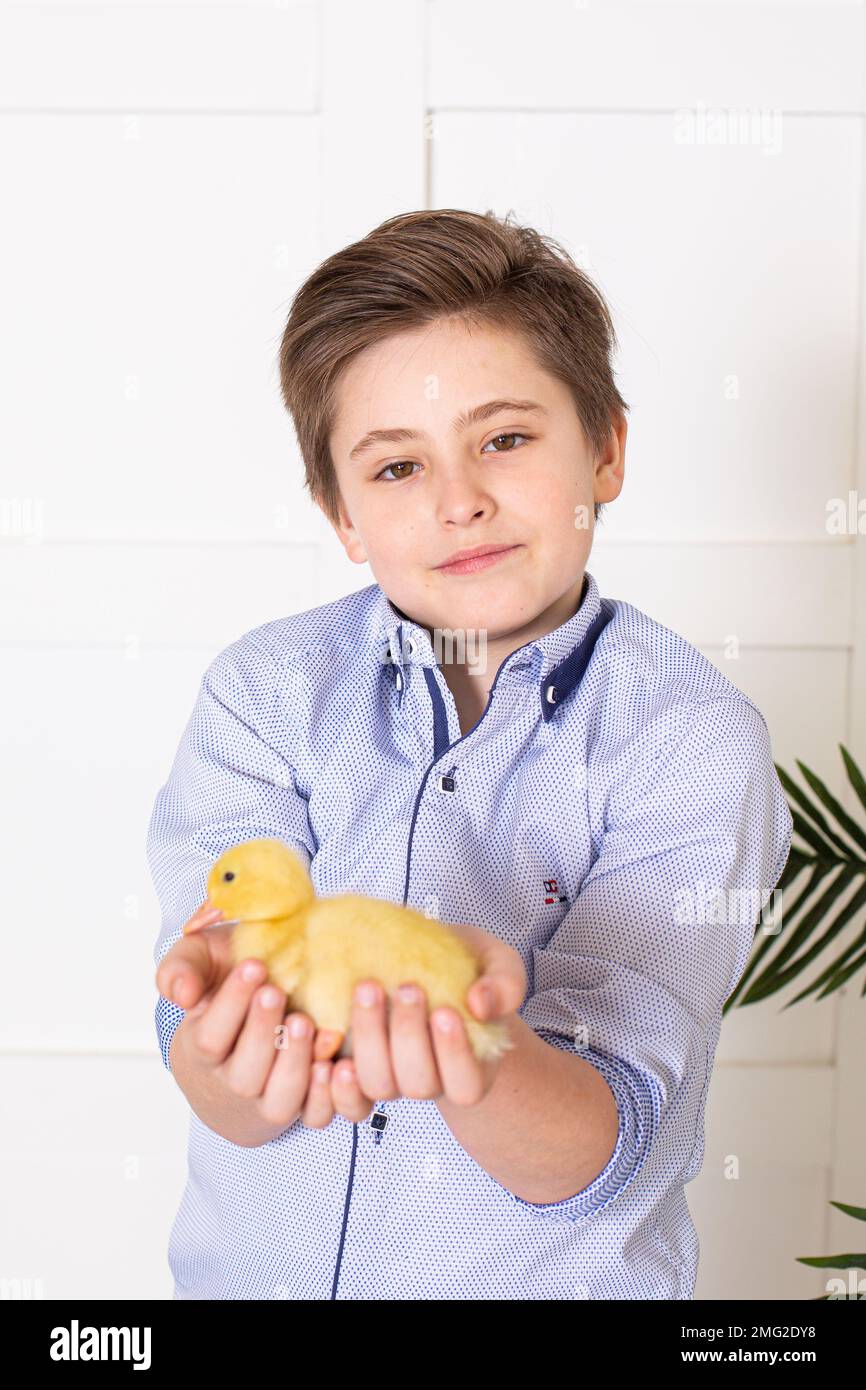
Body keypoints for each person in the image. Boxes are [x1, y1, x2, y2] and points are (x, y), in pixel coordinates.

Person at [148, 208, 793, 1299]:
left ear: (604, 448)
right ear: (340, 514)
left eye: (503, 438)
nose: (460, 501)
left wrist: (468, 1051)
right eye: (396, 468)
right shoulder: (261, 697)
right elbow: (209, 1049)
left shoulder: (687, 740)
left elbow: (607, 1130)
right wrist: (229, 1054)